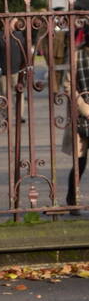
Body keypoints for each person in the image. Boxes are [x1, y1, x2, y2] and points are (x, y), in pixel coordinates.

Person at [62, 17, 89, 214]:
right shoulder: (77, 55)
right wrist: (84, 107)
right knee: (80, 162)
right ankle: (72, 200)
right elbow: (68, 84)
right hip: (82, 117)